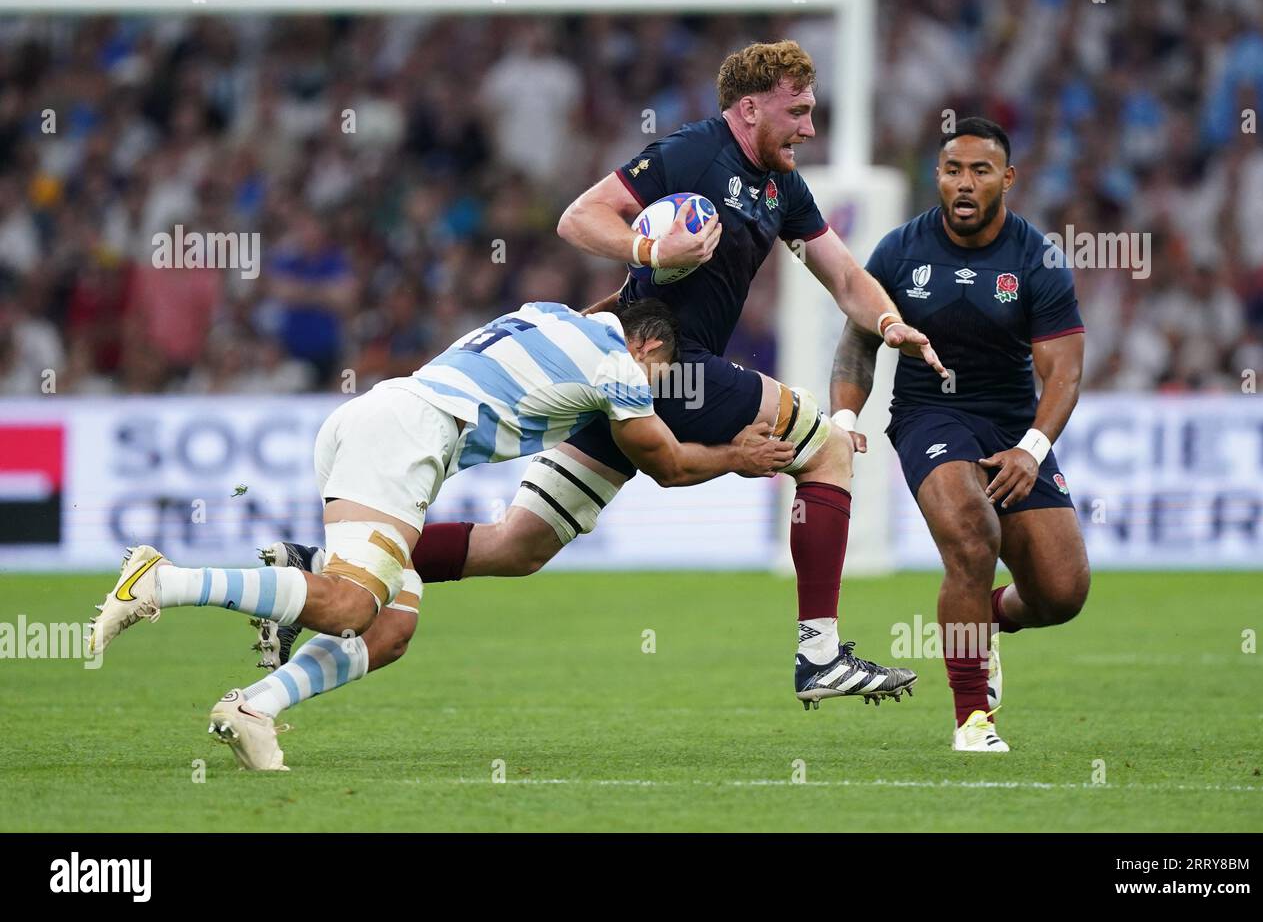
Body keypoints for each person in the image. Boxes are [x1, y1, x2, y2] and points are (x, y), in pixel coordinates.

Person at [260, 40, 943, 712]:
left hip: (619, 378)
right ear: (747, 109)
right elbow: (579, 216)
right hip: (667, 367)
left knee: (515, 545)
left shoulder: (782, 186)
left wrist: (889, 324)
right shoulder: (693, 152)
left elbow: (847, 277)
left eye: (811, 110)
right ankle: (819, 654)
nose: (809, 127)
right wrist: (652, 246)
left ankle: (317, 570)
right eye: (796, 111)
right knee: (825, 452)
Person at [88, 299, 793, 770]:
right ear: (646, 344)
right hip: (410, 433)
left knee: (390, 629)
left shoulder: (545, 314)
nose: (652, 386)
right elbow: (665, 462)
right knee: (347, 606)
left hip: (380, 421)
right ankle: (162, 578)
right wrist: (740, 457)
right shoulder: (620, 363)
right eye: (659, 371)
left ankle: (252, 706)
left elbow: (603, 304)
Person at [829, 117, 1090, 752]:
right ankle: (973, 717)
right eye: (951, 170)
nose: (964, 183)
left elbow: (1063, 373)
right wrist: (843, 420)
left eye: (979, 170)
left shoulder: (1037, 258)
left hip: (1009, 422)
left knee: (1061, 593)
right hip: (929, 416)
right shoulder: (899, 251)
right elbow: (857, 346)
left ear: (1008, 178)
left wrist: (1032, 449)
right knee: (973, 539)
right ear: (937, 178)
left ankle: (988, 620)